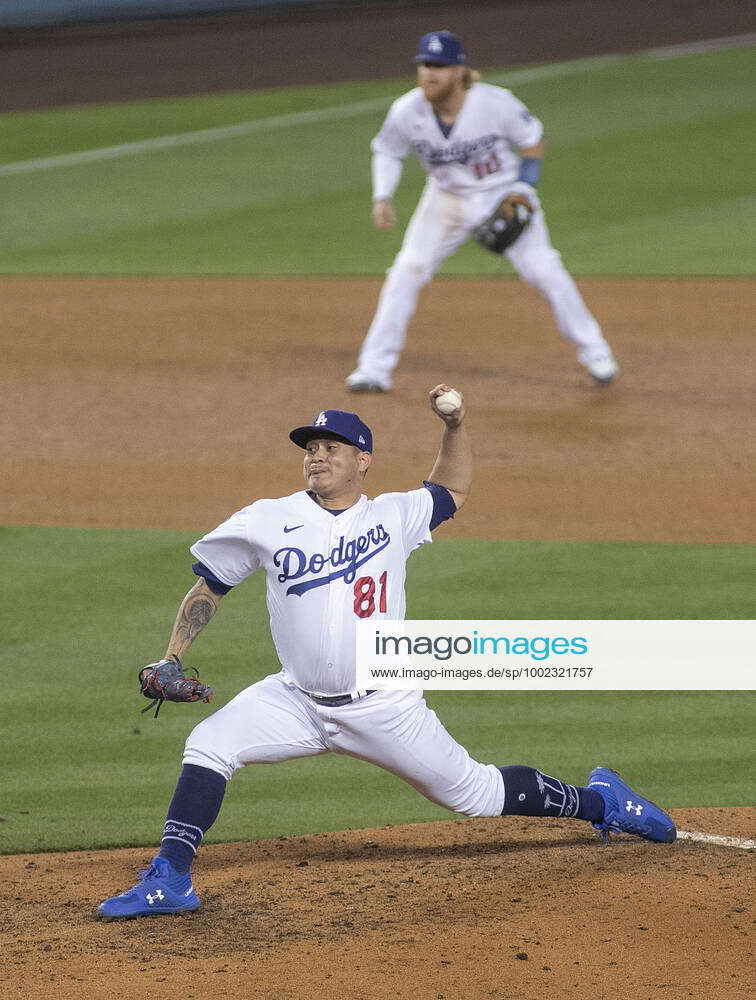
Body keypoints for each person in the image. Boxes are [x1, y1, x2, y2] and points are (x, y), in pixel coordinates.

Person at [97, 385, 673, 920]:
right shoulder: (267, 519)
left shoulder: (393, 515)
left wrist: (456, 425)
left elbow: (453, 489)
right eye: (310, 448)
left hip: (384, 704)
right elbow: (210, 587)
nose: (316, 456)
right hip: (294, 698)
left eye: (331, 447)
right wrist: (171, 656)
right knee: (209, 743)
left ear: (363, 460)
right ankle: (171, 877)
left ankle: (602, 802)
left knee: (475, 793)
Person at [346, 30, 619, 394]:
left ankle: (597, 353)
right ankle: (373, 369)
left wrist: (523, 189)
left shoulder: (495, 103)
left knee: (544, 269)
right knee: (406, 271)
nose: (430, 73)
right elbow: (388, 150)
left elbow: (532, 141)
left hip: (501, 194)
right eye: (425, 65)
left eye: (440, 66)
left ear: (460, 70)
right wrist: (382, 196)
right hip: (445, 200)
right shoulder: (406, 110)